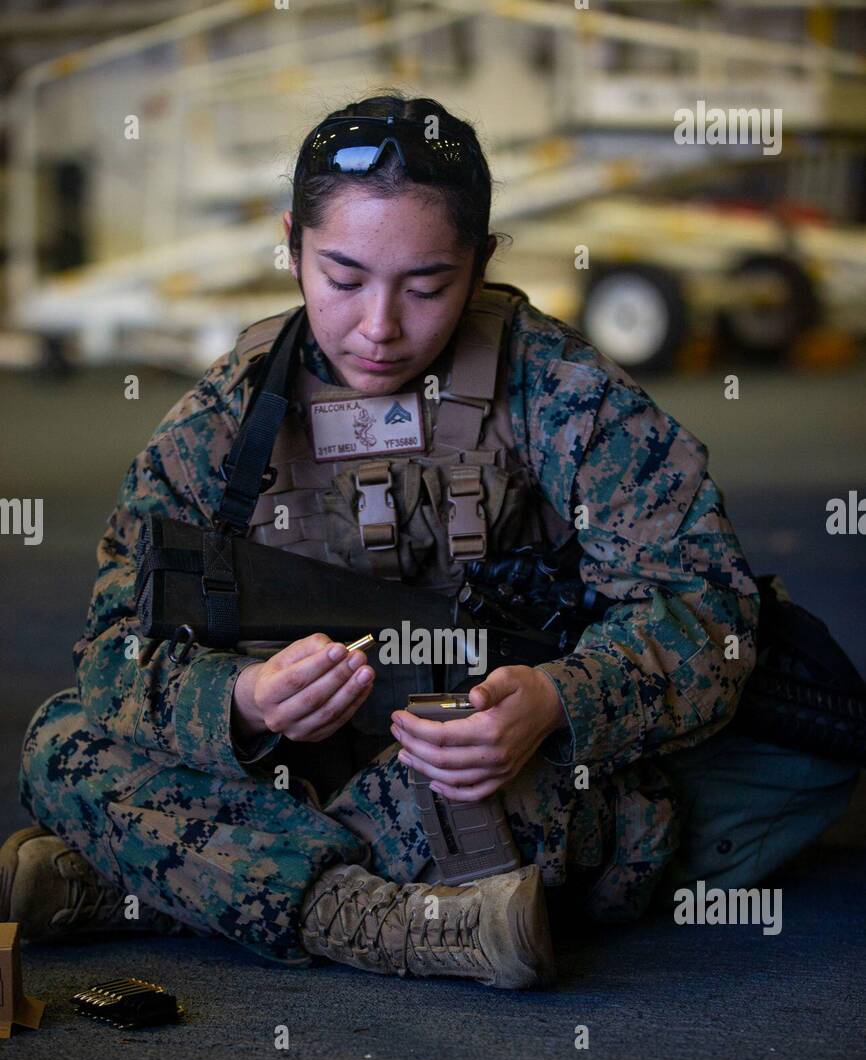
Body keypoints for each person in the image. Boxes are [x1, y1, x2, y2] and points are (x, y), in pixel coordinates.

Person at [2, 93, 858, 989]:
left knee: (565, 805)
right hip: (296, 757)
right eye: (343, 279)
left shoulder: (562, 392)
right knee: (61, 740)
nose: (380, 326)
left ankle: (149, 882)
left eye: (426, 287)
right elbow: (115, 651)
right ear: (291, 246)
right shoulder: (221, 421)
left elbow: (707, 613)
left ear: (481, 262)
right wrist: (243, 699)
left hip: (483, 764)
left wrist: (556, 700)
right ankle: (372, 919)